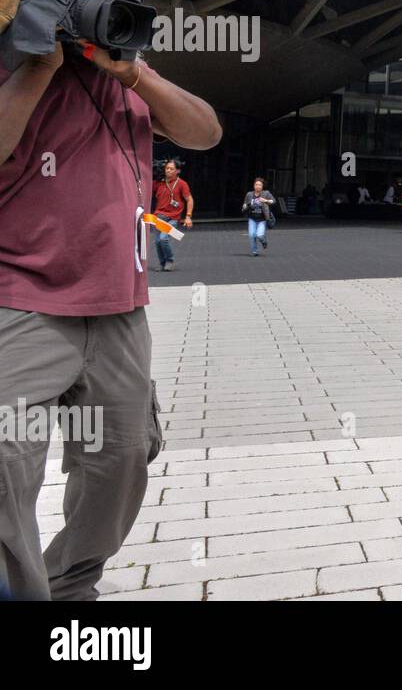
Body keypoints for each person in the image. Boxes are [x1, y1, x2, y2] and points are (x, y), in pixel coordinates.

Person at [0, 42, 221, 600]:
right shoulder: (13, 59)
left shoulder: (124, 78)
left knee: (120, 461)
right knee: (7, 468)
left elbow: (205, 131)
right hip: (20, 301)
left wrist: (133, 72)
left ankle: (71, 586)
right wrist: (39, 65)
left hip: (119, 306)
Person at [152, 158, 193, 272]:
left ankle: (170, 260)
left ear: (177, 171)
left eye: (171, 169)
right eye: (167, 168)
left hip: (173, 218)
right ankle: (162, 263)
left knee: (163, 239)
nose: (168, 170)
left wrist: (188, 216)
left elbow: (189, 200)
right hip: (159, 217)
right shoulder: (158, 182)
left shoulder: (182, 184)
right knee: (157, 241)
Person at [242, 177, 276, 256]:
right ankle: (254, 251)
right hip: (252, 218)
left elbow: (273, 201)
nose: (258, 186)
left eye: (259, 185)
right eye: (256, 184)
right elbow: (245, 204)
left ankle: (264, 241)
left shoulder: (266, 193)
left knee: (259, 235)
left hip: (262, 219)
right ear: (254, 186)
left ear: (262, 186)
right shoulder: (249, 194)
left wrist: (266, 200)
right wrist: (244, 206)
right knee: (251, 235)